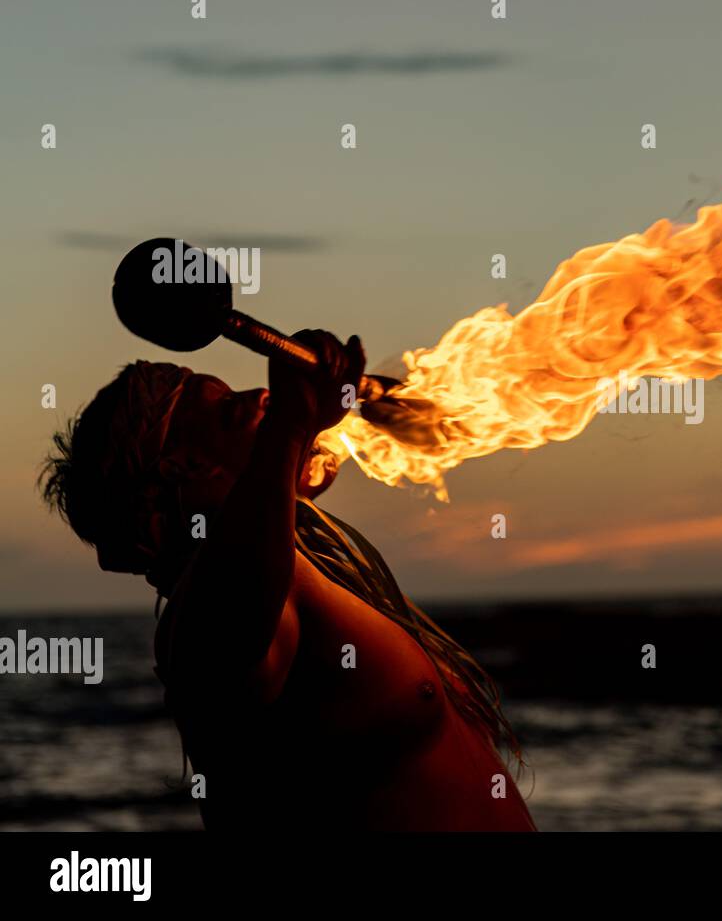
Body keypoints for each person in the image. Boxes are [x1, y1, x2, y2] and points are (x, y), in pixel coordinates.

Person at [39, 330, 537, 830]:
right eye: (232, 412)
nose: (261, 397)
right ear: (184, 471)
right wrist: (290, 425)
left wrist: (293, 432)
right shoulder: (202, 619)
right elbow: (241, 592)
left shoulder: (305, 570)